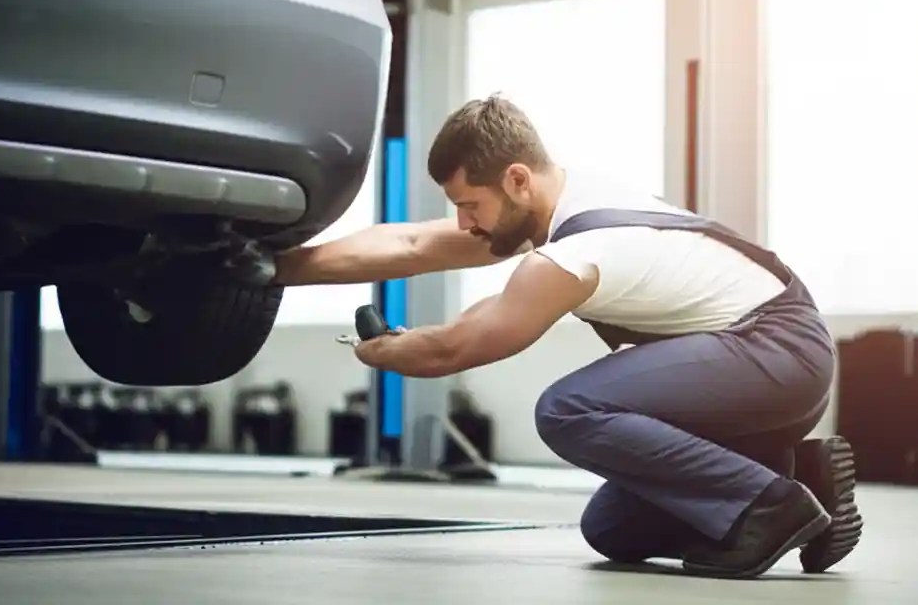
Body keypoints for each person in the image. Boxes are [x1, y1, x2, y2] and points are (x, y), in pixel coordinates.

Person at [271, 95, 860, 579]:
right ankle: (793, 477)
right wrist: (275, 266)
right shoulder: (562, 199)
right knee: (612, 531)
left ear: (517, 179)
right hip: (764, 372)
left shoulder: (575, 250)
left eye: (468, 204)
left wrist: (391, 352)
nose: (462, 224)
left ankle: (769, 506)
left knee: (568, 408)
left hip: (778, 346)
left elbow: (458, 346)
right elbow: (409, 246)